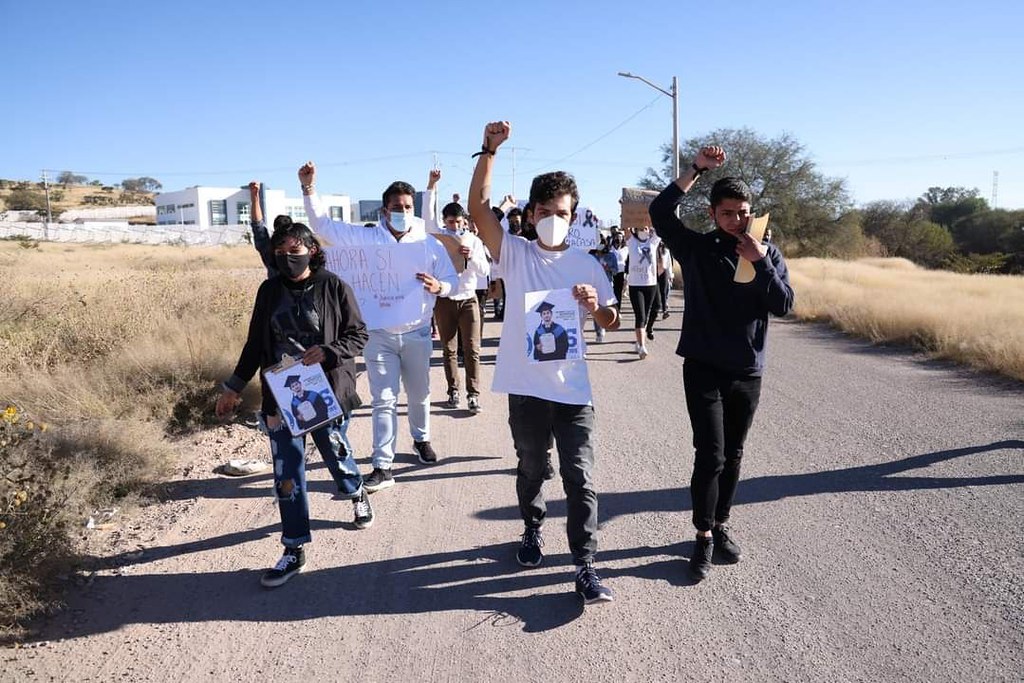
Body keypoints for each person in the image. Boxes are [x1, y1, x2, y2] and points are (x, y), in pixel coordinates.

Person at [469, 120, 620, 605]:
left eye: (563, 213)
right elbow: (477, 209)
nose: (555, 218)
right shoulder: (512, 253)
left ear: (573, 217)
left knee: (581, 477)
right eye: (547, 211)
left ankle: (585, 564)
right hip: (527, 390)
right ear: (532, 214)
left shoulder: (587, 262)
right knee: (532, 466)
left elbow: (612, 320)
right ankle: (532, 530)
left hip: (574, 392)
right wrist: (489, 151)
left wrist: (596, 306)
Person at [648, 145, 794, 582]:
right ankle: (703, 535)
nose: (738, 221)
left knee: (733, 454)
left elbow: (784, 305)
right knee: (709, 453)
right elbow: (659, 211)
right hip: (703, 367)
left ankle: (721, 522)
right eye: (728, 213)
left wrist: (761, 261)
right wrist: (696, 169)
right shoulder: (696, 250)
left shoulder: (768, 252)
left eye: (744, 212)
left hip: (747, 371)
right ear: (713, 215)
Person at [215, 219, 371, 588]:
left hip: (326, 392)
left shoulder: (333, 286)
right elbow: (255, 343)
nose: (287, 258)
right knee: (288, 472)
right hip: (280, 395)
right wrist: (233, 387)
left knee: (336, 455)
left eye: (294, 251)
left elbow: (358, 334)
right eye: (280, 253)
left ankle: (356, 491)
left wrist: (329, 351)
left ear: (312, 251)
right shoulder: (268, 291)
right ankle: (294, 547)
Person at [299, 161, 457, 489]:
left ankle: (421, 438)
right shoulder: (365, 238)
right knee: (383, 398)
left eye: (408, 206)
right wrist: (309, 188)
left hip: (416, 333)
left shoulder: (428, 244)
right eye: (396, 207)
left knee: (419, 393)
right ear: (385, 210)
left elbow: (453, 280)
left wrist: (440, 288)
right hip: (377, 335)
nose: (403, 211)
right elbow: (323, 226)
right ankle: (383, 465)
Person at [426, 197, 490, 414]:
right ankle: (453, 390)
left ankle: (473, 394)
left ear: (465, 221)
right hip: (445, 300)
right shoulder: (438, 241)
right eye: (450, 221)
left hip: (468, 299)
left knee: (472, 349)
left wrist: (470, 256)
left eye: (459, 221)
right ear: (444, 222)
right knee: (449, 349)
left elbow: (485, 270)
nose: (455, 225)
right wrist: (431, 187)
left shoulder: (473, 241)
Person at [624, 225, 662, 358]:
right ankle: (642, 346)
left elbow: (659, 226)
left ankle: (639, 340)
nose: (643, 229)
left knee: (646, 315)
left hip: (650, 284)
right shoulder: (632, 242)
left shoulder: (653, 241)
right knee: (640, 316)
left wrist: (649, 218)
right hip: (635, 285)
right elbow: (626, 227)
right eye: (641, 227)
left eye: (646, 227)